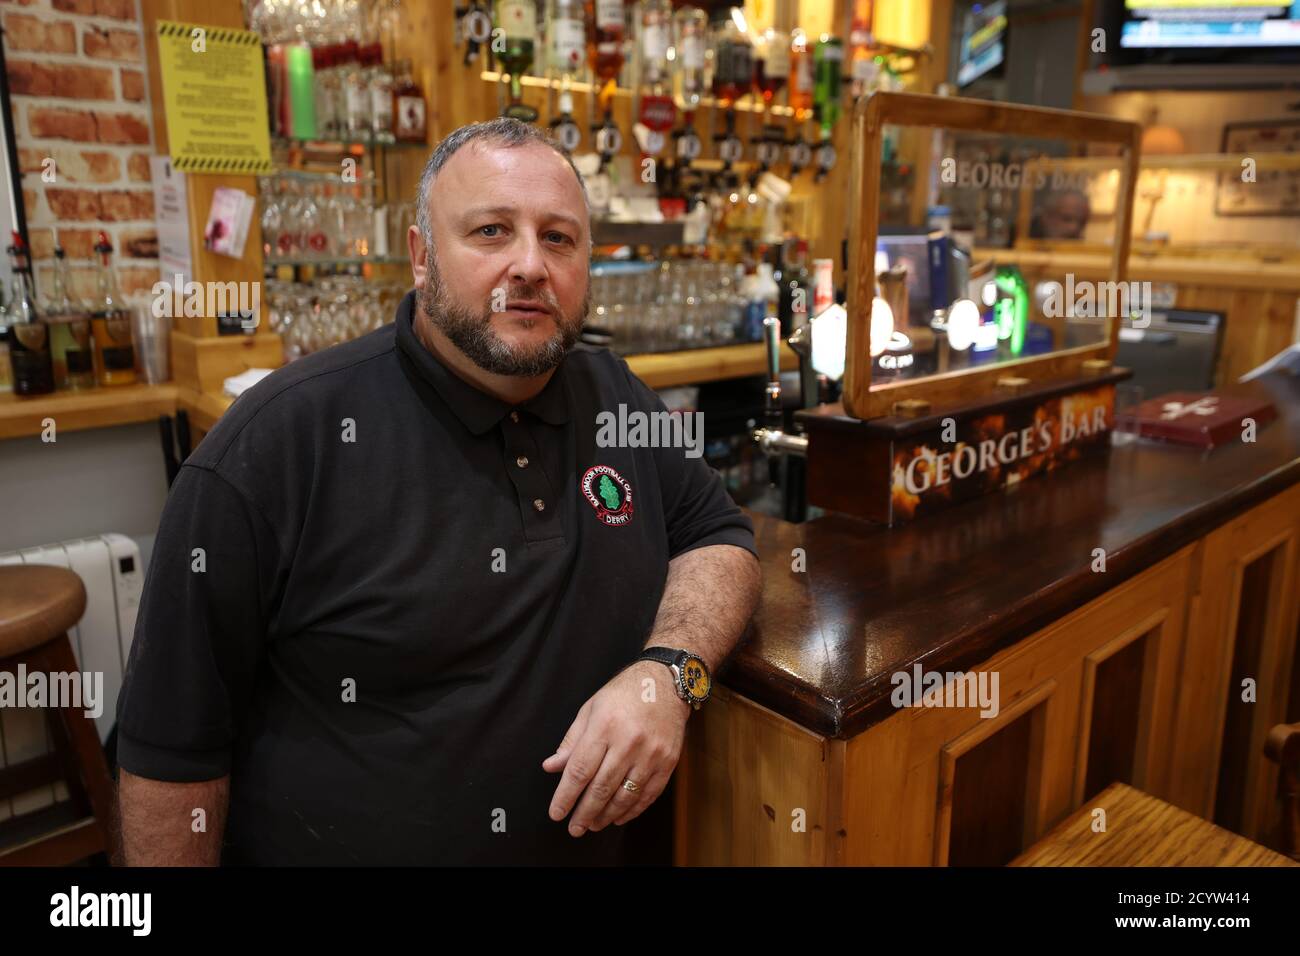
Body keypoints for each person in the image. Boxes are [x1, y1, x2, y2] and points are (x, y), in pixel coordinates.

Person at [115, 118, 762, 865]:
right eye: (491, 231)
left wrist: (669, 676)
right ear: (421, 258)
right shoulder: (277, 445)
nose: (529, 265)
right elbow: (172, 754)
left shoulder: (612, 391)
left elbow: (721, 538)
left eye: (559, 238)